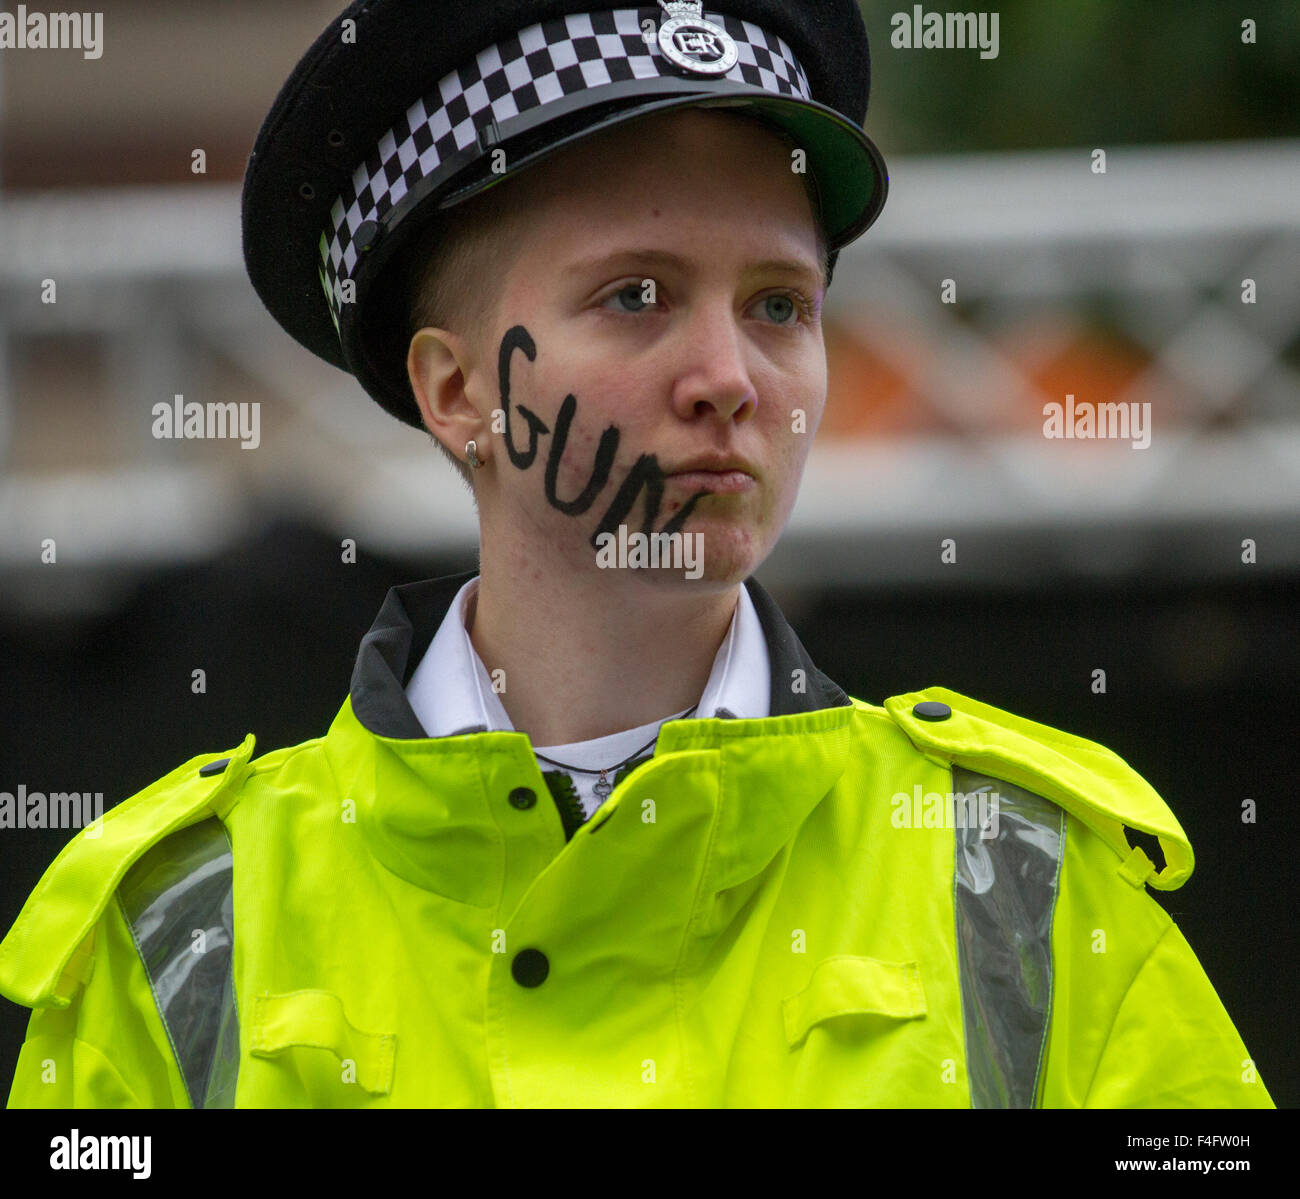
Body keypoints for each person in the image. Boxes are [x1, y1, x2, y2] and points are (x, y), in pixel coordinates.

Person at [0, 0, 1274, 1109]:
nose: (729, 377)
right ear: (454, 393)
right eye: (636, 296)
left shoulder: (1026, 884)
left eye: (778, 305)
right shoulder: (176, 933)